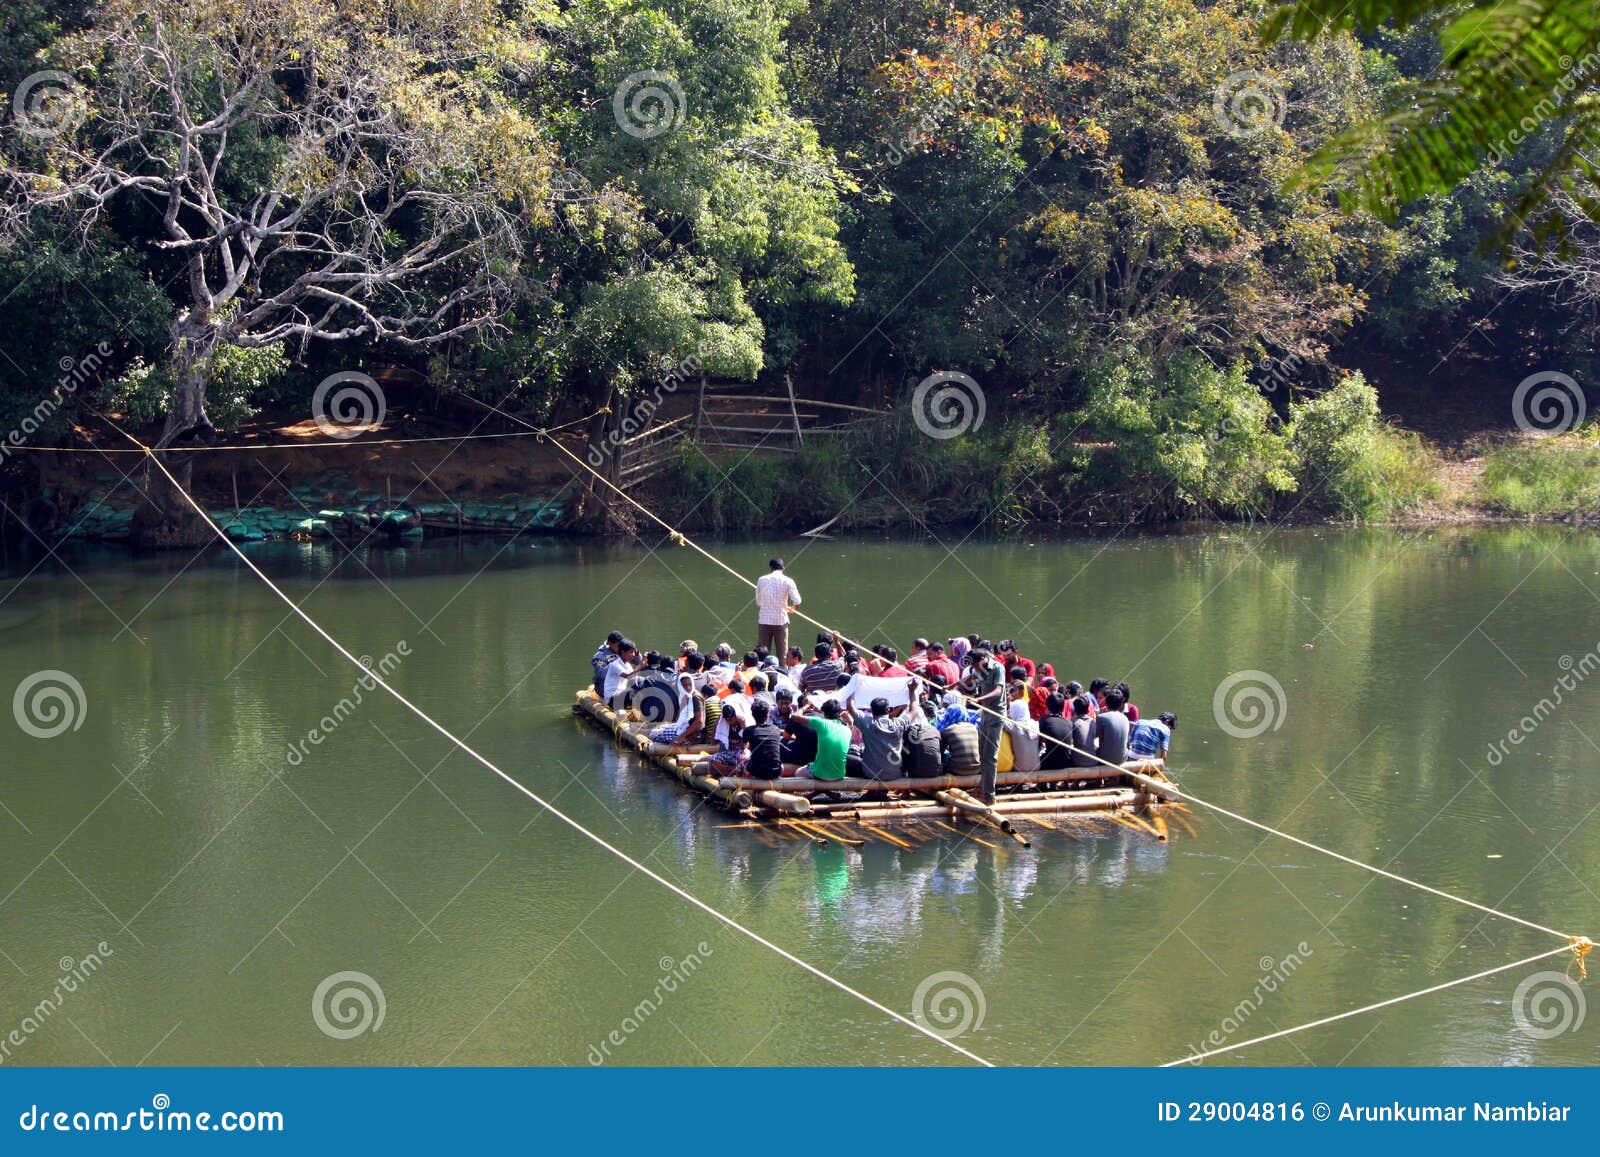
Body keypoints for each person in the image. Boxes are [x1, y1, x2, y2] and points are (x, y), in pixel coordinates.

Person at [847, 681, 924, 782]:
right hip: (894, 774)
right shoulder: (899, 723)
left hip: (871, 773)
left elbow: (850, 706)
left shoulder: (867, 722)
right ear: (888, 710)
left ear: (872, 710)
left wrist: (853, 687)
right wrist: (912, 691)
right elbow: (914, 709)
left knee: (847, 759)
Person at [962, 648, 1006, 803]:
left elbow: (998, 691)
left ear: (982, 659)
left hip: (995, 716)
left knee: (990, 756)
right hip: (985, 715)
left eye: (975, 665)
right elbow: (971, 678)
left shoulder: (997, 668)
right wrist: (952, 685)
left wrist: (979, 699)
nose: (974, 668)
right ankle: (982, 787)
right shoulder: (981, 669)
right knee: (982, 752)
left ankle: (989, 795)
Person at [790, 698, 850, 781]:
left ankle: (794, 793)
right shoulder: (847, 729)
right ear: (839, 713)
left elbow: (794, 716)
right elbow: (849, 723)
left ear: (824, 713)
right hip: (839, 774)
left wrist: (806, 706)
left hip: (820, 774)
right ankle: (827, 793)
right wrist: (849, 721)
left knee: (797, 773)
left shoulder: (821, 722)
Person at [754, 557, 802, 657]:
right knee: (783, 655)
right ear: (782, 568)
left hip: (764, 621)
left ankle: (762, 671)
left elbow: (758, 602)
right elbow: (797, 601)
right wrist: (793, 610)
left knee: (762, 654)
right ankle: (783, 671)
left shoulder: (761, 580)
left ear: (771, 568)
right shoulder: (788, 581)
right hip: (781, 621)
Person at [649, 673, 705, 748]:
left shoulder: (695, 698)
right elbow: (680, 716)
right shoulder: (687, 696)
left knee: (653, 734)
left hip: (694, 735)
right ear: (680, 686)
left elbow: (699, 721)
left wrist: (681, 737)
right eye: (684, 685)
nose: (688, 688)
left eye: (690, 684)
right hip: (686, 729)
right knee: (661, 728)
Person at [743, 699, 786, 780]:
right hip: (776, 771)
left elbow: (744, 748)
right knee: (780, 765)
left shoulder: (748, 730)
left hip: (757, 772)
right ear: (767, 715)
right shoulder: (776, 729)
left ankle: (747, 784)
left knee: (743, 758)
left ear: (753, 715)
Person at [1002, 698, 1041, 774]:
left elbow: (1001, 720)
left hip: (1019, 768)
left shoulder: (1013, 726)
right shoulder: (1036, 724)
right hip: (1036, 766)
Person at [1092, 686, 1130, 765]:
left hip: (1105, 759)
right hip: (1122, 759)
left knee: (1092, 747)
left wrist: (1101, 714)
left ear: (1106, 703)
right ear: (1120, 705)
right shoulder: (1125, 718)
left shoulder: (1101, 717)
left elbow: (1094, 735)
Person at [1039, 693, 1076, 770]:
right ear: (1062, 708)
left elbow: (1038, 743)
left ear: (1047, 706)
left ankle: (1044, 782)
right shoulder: (1069, 722)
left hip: (1051, 763)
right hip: (1067, 762)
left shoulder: (1044, 720)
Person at [602, 640, 638, 706]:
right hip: (611, 699)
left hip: (621, 695)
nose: (633, 655)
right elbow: (627, 676)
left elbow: (634, 679)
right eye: (631, 652)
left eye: (634, 652)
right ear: (623, 652)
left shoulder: (628, 665)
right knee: (632, 692)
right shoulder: (615, 664)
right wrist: (641, 666)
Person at [1068, 695, 1098, 767]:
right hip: (1093, 761)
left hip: (1078, 762)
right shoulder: (1093, 722)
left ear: (1075, 709)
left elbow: (1069, 742)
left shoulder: (1073, 722)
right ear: (1088, 709)